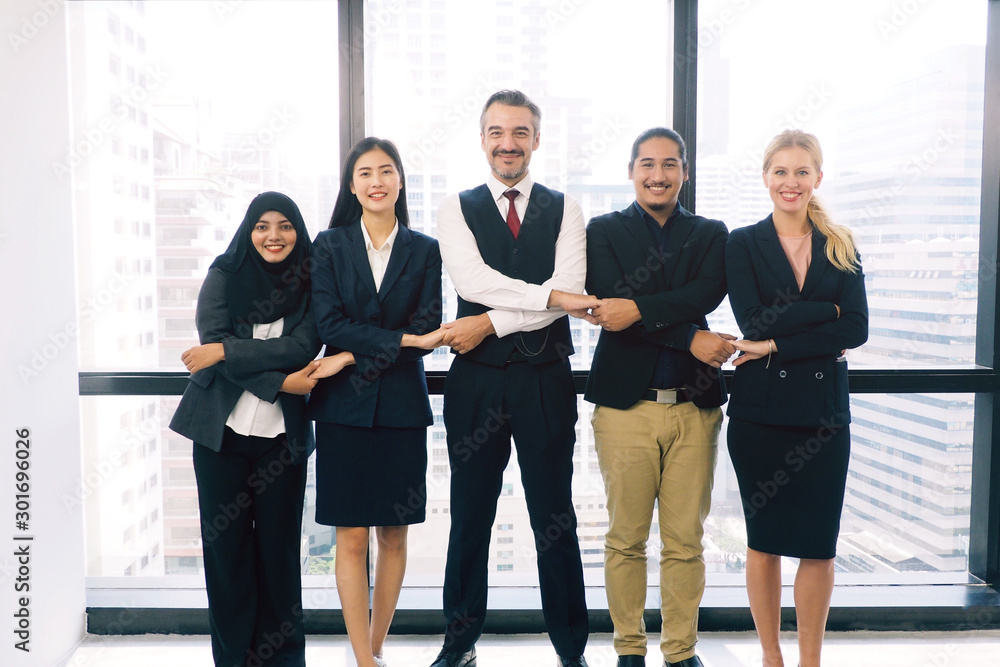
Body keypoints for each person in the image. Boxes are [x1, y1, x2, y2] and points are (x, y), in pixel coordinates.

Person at [430, 89, 597, 667]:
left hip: (545, 380)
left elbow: (569, 292)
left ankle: (571, 649)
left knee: (554, 516)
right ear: (482, 139)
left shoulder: (566, 208)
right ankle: (459, 643)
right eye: (497, 132)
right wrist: (550, 297)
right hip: (475, 382)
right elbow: (474, 280)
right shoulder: (456, 207)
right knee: (470, 513)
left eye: (520, 132)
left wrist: (489, 324)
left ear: (536, 139)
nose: (508, 143)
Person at [584, 128, 733, 667]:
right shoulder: (601, 231)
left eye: (670, 164)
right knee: (625, 538)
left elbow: (706, 292)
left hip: (695, 408)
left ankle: (680, 652)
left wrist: (641, 308)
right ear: (631, 171)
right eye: (647, 163)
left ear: (685, 174)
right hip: (626, 407)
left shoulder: (712, 234)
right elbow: (610, 309)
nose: (658, 174)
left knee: (686, 542)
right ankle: (628, 649)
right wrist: (688, 334)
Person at [725, 129, 868, 667]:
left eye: (801, 172)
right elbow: (752, 319)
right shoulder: (741, 242)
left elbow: (855, 328)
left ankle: (810, 659)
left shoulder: (841, 243)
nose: (791, 182)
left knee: (818, 544)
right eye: (780, 172)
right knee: (763, 542)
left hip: (823, 416)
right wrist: (824, 313)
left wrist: (776, 344)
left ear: (818, 178)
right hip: (761, 414)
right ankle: (770, 656)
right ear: (766, 178)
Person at [306, 137, 444, 667]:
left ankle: (377, 646)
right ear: (352, 185)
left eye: (386, 171)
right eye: (365, 173)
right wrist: (402, 343)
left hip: (403, 411)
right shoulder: (330, 245)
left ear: (400, 182)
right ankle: (362, 658)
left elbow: (429, 323)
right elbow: (328, 323)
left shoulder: (424, 248)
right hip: (343, 411)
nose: (376, 181)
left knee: (393, 534)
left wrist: (354, 351)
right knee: (351, 537)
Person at [169, 191, 321, 667]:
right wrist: (281, 380)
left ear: (297, 232)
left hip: (281, 442)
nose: (273, 236)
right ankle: (233, 659)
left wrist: (226, 352)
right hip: (221, 438)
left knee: (278, 556)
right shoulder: (223, 273)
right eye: (262, 226)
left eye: (284, 226)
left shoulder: (314, 278)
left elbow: (303, 346)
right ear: (248, 231)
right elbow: (210, 344)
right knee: (226, 555)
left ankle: (284, 659)